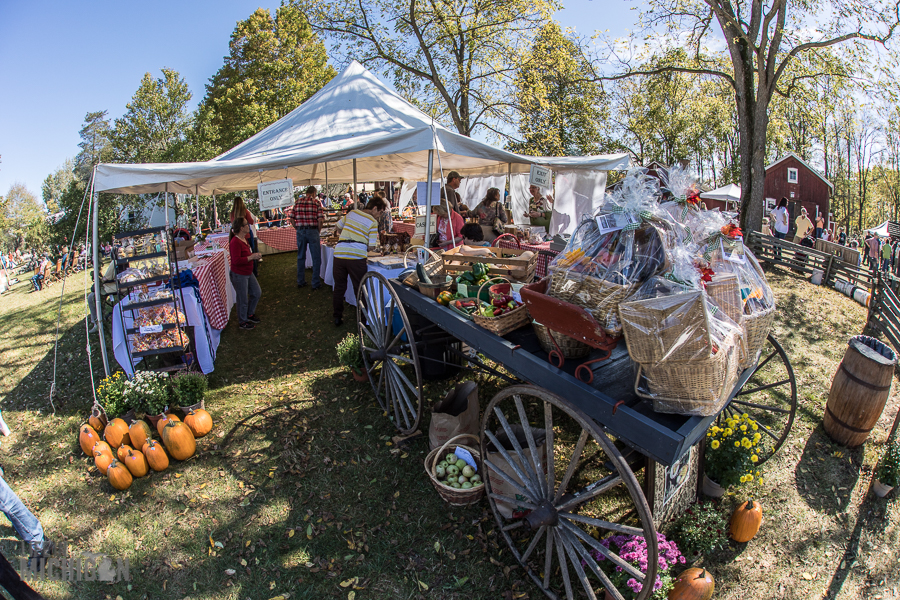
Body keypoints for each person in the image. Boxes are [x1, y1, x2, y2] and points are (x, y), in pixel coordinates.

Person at [332, 197, 387, 326]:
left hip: (339, 253)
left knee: (339, 287)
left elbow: (338, 227)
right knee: (360, 288)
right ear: (374, 208)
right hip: (356, 257)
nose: (379, 216)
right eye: (380, 212)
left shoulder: (352, 213)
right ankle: (362, 319)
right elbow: (371, 246)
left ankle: (337, 316)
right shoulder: (373, 222)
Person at [284, 186, 325, 290]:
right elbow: (320, 220)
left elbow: (292, 219)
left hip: (301, 230)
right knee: (316, 258)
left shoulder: (297, 202)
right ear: (314, 193)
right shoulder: (316, 202)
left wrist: (297, 228)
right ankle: (315, 283)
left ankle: (300, 281)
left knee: (301, 257)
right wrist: (318, 231)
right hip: (312, 230)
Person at [228, 217, 262, 330]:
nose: (249, 226)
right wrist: (251, 257)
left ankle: (249, 314)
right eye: (246, 224)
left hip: (247, 272)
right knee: (242, 298)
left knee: (256, 292)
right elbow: (236, 261)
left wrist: (253, 256)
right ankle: (243, 321)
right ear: (242, 228)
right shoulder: (235, 242)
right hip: (239, 274)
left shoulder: (243, 239)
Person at [230, 197, 259, 276]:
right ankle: (254, 272)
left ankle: (250, 272)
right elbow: (251, 221)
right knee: (250, 253)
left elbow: (232, 223)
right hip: (247, 236)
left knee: (243, 254)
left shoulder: (232, 213)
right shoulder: (245, 211)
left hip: (238, 235)